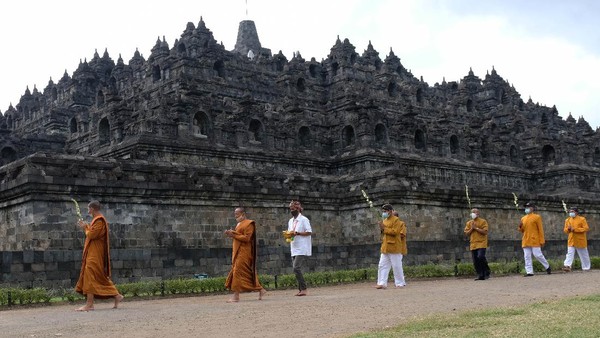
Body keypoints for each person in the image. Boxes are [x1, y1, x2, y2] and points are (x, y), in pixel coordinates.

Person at [75, 200, 123, 311]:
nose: (88, 210)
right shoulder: (95, 221)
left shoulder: (99, 220)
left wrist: (84, 227)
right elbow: (91, 232)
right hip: (93, 252)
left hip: (95, 254)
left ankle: (89, 304)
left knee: (90, 274)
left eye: (88, 208)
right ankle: (117, 296)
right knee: (98, 276)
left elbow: (91, 234)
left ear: (92, 209)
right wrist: (86, 226)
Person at [224, 207, 267, 302]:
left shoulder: (249, 224)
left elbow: (247, 238)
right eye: (235, 214)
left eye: (237, 214)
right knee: (245, 273)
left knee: (237, 272)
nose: (235, 216)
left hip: (244, 252)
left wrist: (233, 234)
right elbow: (238, 236)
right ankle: (260, 289)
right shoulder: (239, 224)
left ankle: (236, 296)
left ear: (243, 214)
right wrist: (231, 234)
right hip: (238, 251)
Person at [375, 204, 407, 289]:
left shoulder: (396, 220)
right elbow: (383, 233)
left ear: (390, 211)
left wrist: (384, 229)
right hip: (385, 246)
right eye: (383, 211)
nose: (383, 213)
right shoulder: (384, 220)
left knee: (396, 266)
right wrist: (381, 227)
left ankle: (399, 283)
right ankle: (382, 283)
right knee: (382, 265)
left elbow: (395, 232)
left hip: (394, 246)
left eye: (385, 211)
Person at [518, 202, 551, 277]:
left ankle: (547, 266)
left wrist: (542, 240)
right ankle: (529, 271)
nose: (527, 208)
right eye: (526, 207)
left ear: (532, 208)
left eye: (528, 207)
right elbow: (522, 230)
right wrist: (520, 226)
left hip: (534, 239)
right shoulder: (523, 218)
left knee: (538, 255)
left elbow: (540, 229)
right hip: (526, 239)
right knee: (527, 256)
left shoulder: (537, 217)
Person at [287, 200, 312, 296]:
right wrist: (288, 235)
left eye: (293, 208)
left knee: (296, 267)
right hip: (294, 246)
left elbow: (309, 232)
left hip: (302, 246)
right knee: (296, 268)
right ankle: (301, 289)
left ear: (298, 209)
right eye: (290, 209)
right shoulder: (290, 221)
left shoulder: (304, 219)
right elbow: (291, 232)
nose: (291, 210)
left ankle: (304, 289)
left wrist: (298, 233)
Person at [464, 208, 491, 280]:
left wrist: (476, 228)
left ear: (478, 214)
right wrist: (472, 228)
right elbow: (466, 233)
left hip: (481, 242)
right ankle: (480, 274)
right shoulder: (469, 223)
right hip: (473, 243)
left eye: (475, 212)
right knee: (475, 260)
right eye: (472, 212)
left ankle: (486, 271)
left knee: (481, 256)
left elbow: (485, 232)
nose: (473, 213)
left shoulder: (483, 221)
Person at [562, 207, 591, 272]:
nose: (571, 213)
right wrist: (568, 229)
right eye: (570, 211)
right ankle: (567, 265)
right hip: (571, 239)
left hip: (580, 239)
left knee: (583, 254)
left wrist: (575, 229)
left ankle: (586, 267)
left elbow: (586, 228)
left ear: (576, 212)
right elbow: (565, 230)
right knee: (569, 253)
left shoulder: (582, 219)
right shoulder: (567, 220)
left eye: (572, 211)